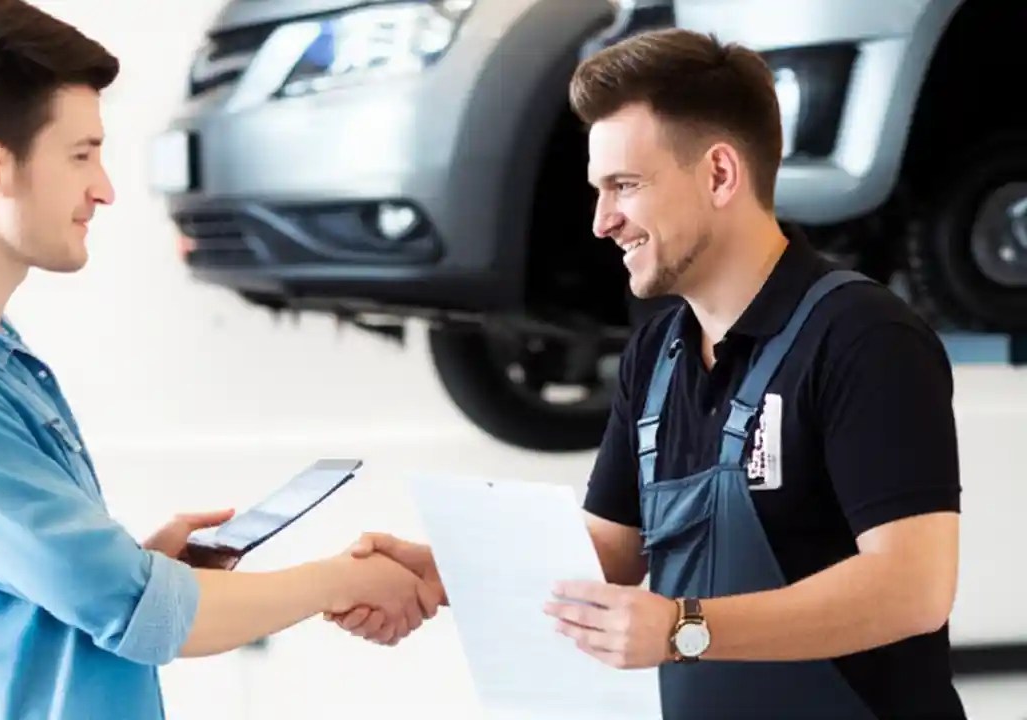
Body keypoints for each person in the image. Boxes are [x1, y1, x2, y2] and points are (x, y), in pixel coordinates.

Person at [329, 28, 965, 719]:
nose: (603, 221)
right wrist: (447, 571)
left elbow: (912, 589)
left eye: (624, 186)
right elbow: (611, 554)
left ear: (720, 174)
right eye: (600, 190)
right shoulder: (657, 353)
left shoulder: (862, 338)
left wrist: (683, 629)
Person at [0, 2, 438, 718]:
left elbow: (71, 597)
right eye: (81, 154)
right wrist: (341, 580)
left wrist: (142, 564)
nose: (105, 188)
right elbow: (141, 614)